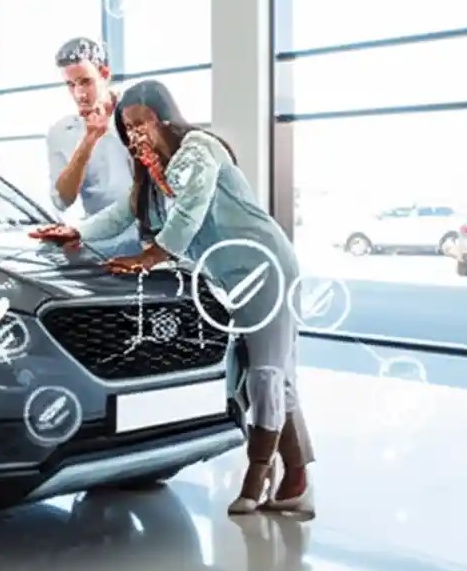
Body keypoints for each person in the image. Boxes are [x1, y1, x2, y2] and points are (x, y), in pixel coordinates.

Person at [30, 79, 316, 517]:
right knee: (270, 372)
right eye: (128, 127)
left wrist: (152, 255)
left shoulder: (199, 149)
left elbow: (191, 209)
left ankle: (256, 477)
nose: (137, 133)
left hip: (264, 266)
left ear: (164, 116)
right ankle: (296, 480)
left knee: (266, 374)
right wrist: (76, 232)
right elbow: (120, 215)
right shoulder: (150, 174)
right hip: (227, 276)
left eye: (141, 121)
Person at [44, 37, 141, 255]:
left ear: (104, 74)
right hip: (99, 246)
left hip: (148, 239)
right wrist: (89, 140)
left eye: (86, 81)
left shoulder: (138, 115)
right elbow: (62, 200)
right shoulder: (62, 132)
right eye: (71, 85)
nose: (79, 94)